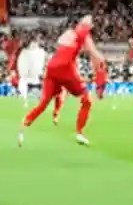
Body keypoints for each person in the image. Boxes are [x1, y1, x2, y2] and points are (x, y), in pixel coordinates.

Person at [19, 15, 106, 147]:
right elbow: (93, 52)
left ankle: (25, 123)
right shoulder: (83, 34)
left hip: (52, 68)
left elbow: (64, 47)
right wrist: (102, 64)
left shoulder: (69, 33)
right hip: (65, 69)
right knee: (87, 99)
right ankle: (79, 132)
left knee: (43, 103)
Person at [16, 41, 46, 108]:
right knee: (25, 87)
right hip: (28, 77)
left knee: (38, 88)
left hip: (33, 77)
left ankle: (39, 100)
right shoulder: (26, 54)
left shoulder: (38, 54)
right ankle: (26, 101)